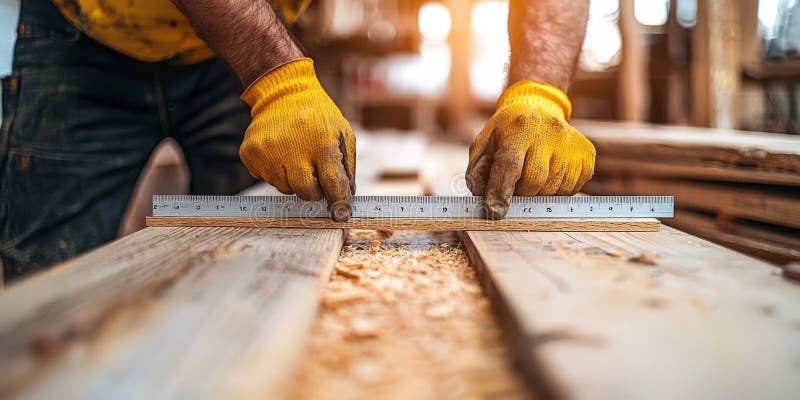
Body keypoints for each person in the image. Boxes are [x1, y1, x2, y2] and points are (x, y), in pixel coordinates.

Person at [0, 0, 594, 282]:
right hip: (89, 30)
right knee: (45, 291)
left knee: (244, 271)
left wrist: (540, 92)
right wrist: (277, 83)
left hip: (240, 37)